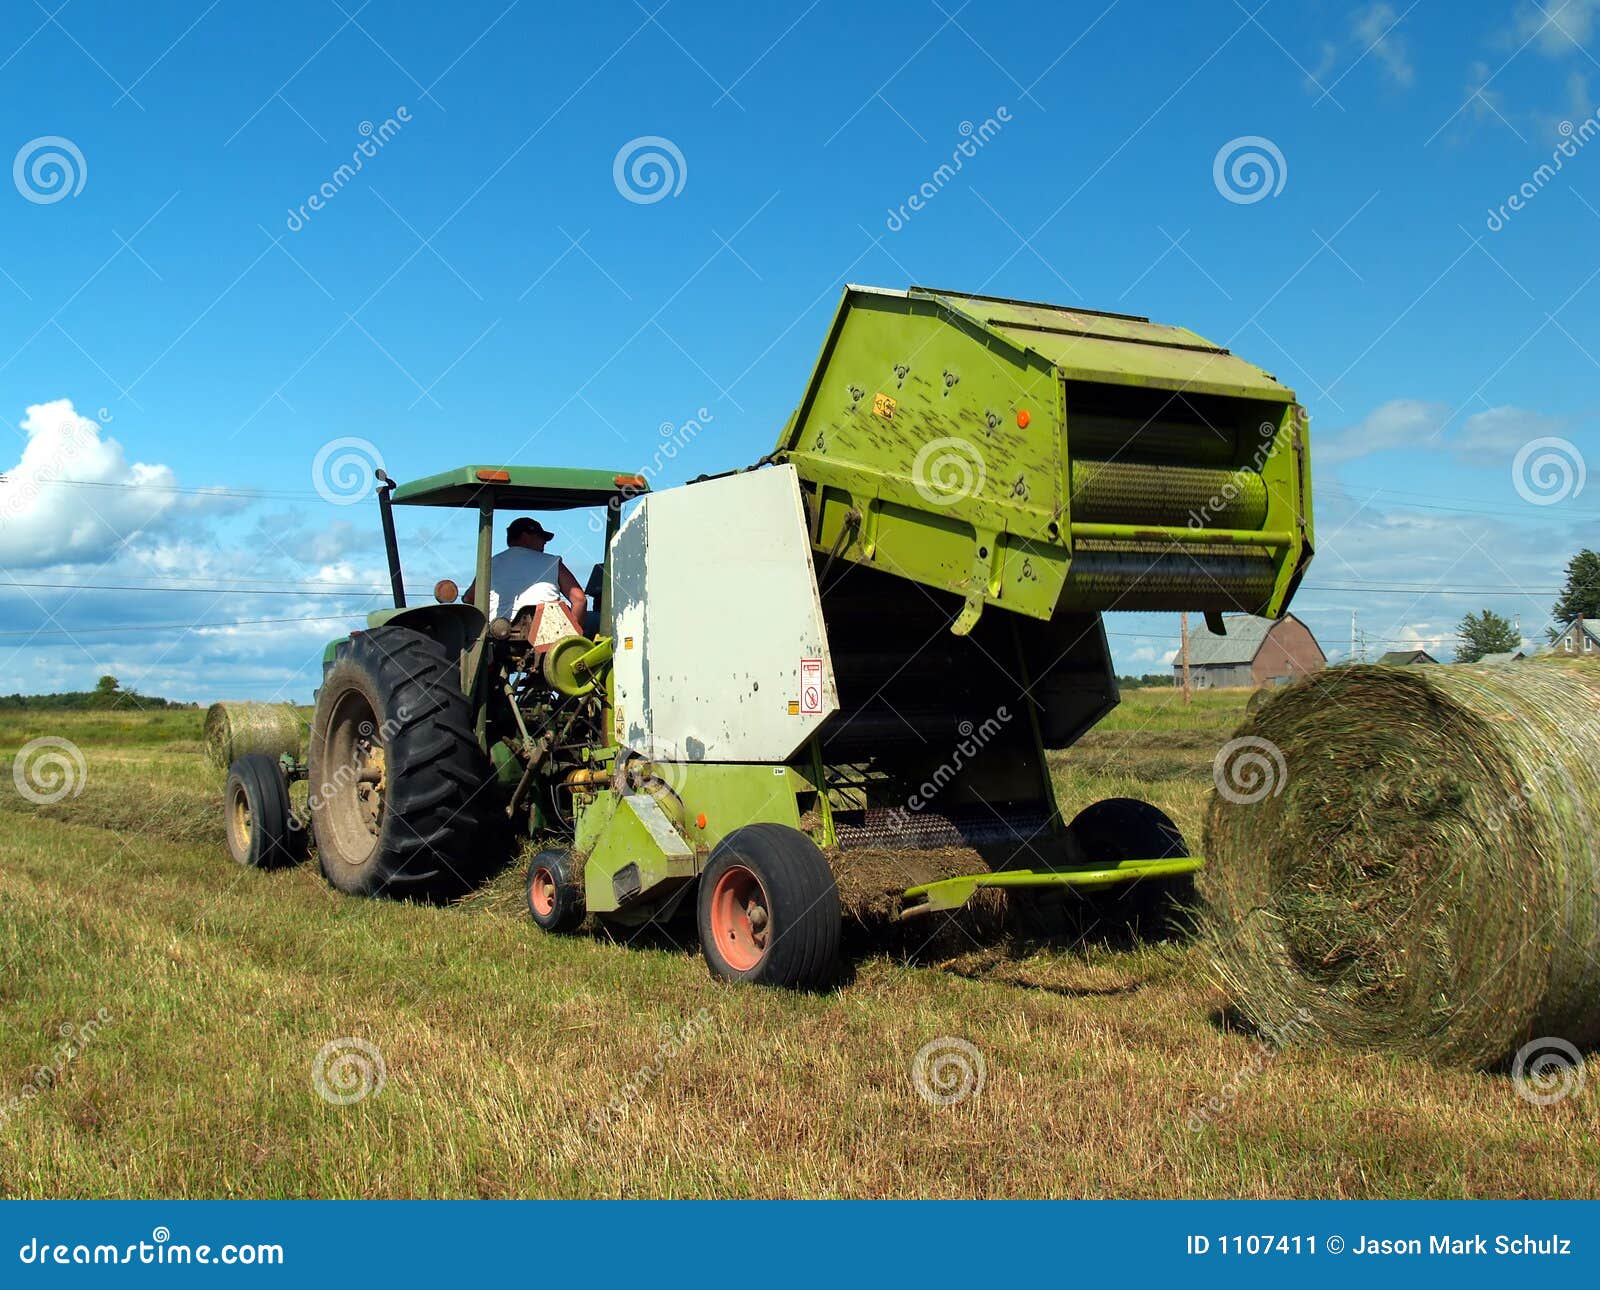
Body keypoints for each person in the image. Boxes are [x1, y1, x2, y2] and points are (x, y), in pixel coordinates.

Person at [464, 517, 587, 625]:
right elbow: (580, 599)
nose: (545, 542)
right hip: (547, 642)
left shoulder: (490, 564)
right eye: (541, 537)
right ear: (525, 536)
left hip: (498, 638)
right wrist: (570, 636)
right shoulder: (552, 562)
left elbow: (470, 598)